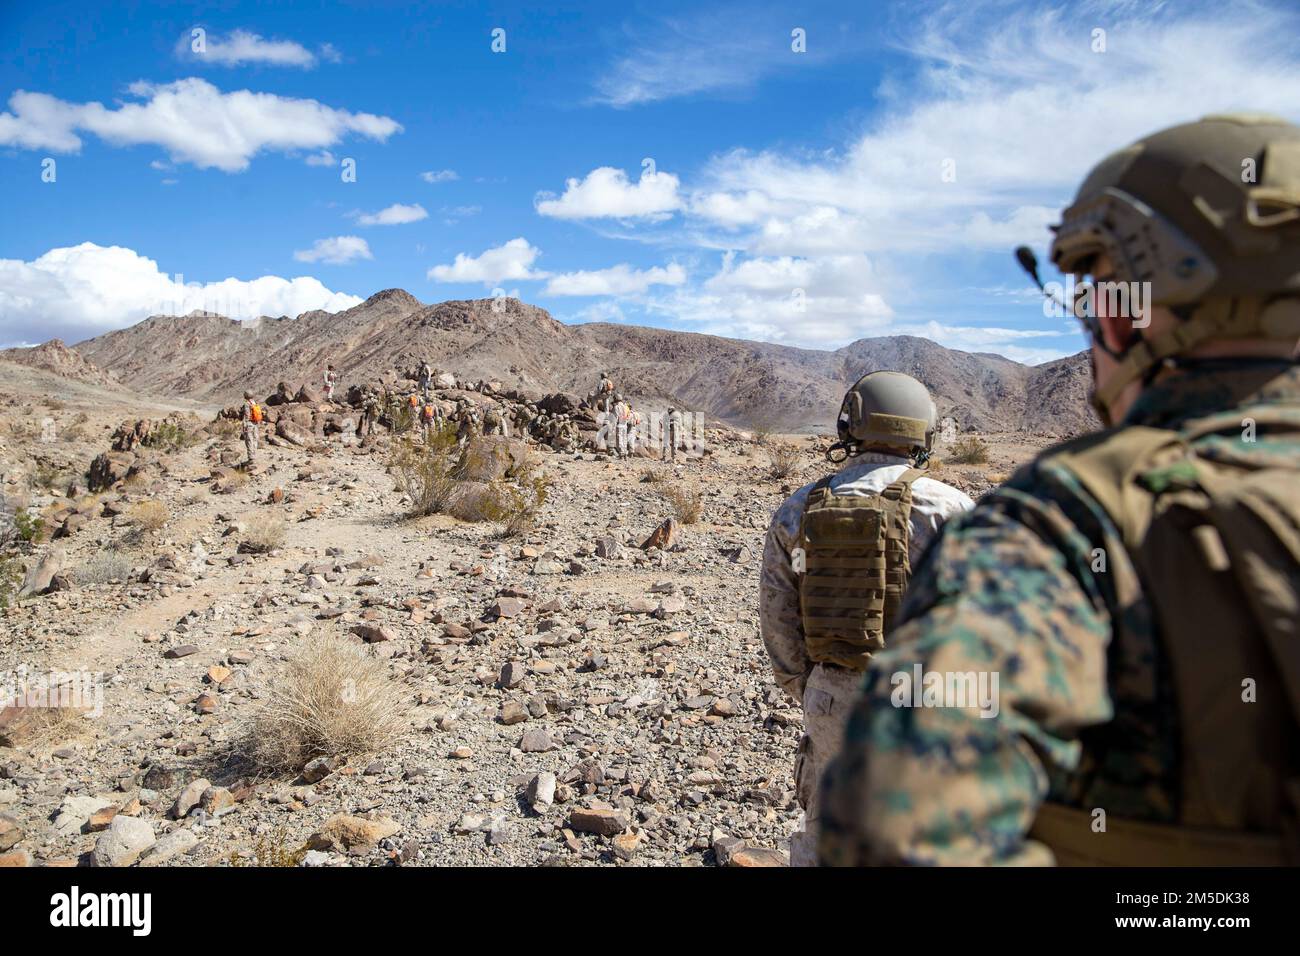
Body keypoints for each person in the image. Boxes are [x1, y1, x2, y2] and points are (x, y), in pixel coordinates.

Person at [819, 114, 1300, 867]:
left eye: (1095, 291)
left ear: (1129, 306)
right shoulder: (955, 504)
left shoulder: (1066, 520)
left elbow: (895, 827)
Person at [759, 371, 974, 866]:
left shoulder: (798, 510)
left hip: (832, 696)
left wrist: (812, 686)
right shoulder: (950, 509)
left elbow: (779, 620)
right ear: (921, 431)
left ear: (850, 424)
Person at [240, 390, 263, 464]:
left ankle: (251, 457)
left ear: (245, 396)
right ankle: (254, 455)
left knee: (249, 440)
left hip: (249, 424)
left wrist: (244, 424)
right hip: (255, 424)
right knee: (255, 439)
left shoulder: (247, 404)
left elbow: (247, 415)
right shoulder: (255, 403)